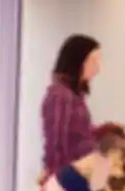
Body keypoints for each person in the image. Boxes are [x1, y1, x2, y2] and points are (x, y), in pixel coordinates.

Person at [41, 34, 105, 180]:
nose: (97, 67)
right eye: (93, 61)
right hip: (69, 177)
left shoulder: (73, 96)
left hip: (79, 172)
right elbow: (57, 143)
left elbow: (76, 135)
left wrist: (105, 130)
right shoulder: (61, 97)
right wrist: (60, 181)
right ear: (78, 61)